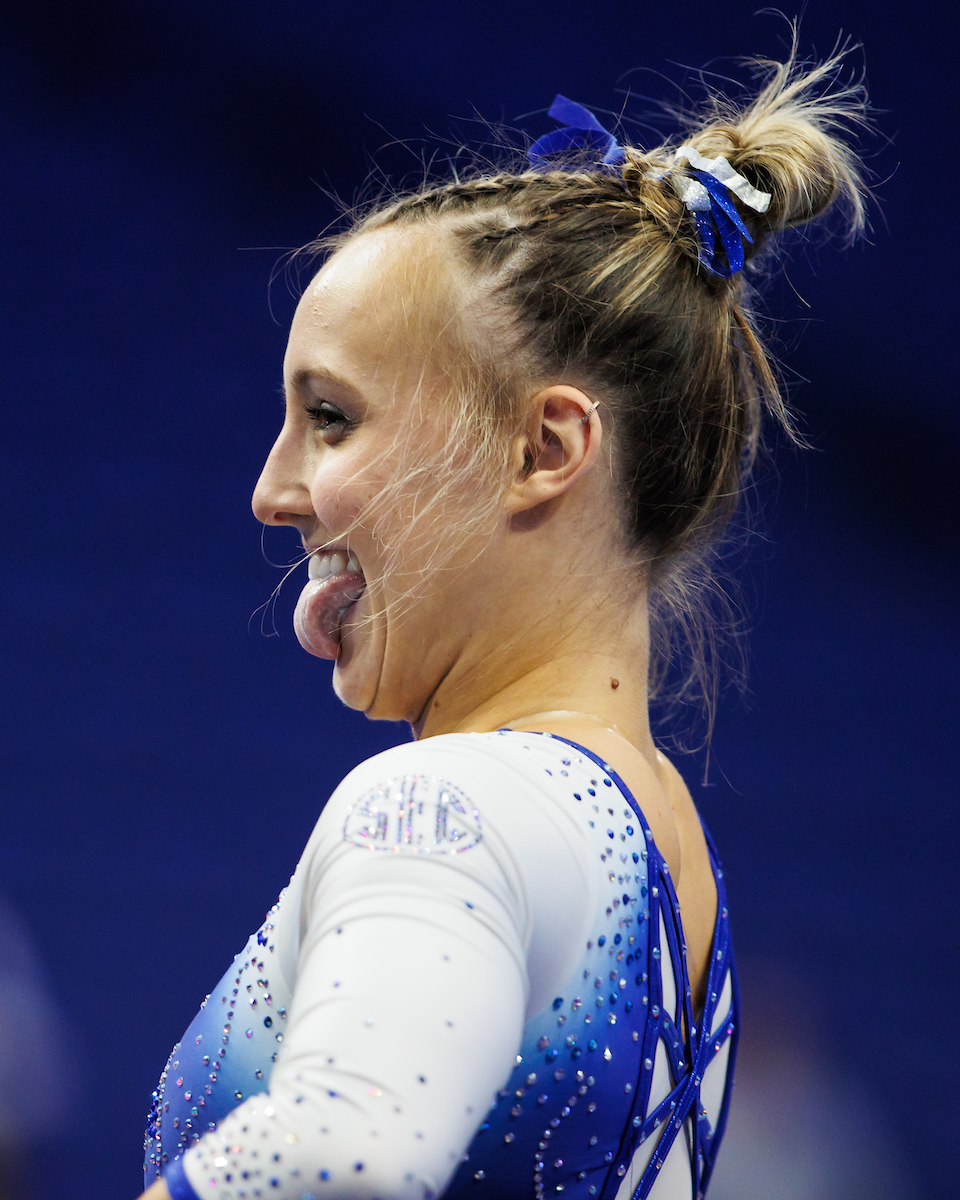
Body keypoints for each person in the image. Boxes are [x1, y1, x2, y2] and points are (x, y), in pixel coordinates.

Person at [139, 45, 865, 1200]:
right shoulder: (665, 854)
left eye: (330, 418)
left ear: (545, 450)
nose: (273, 491)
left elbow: (346, 1158)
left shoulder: (447, 804)